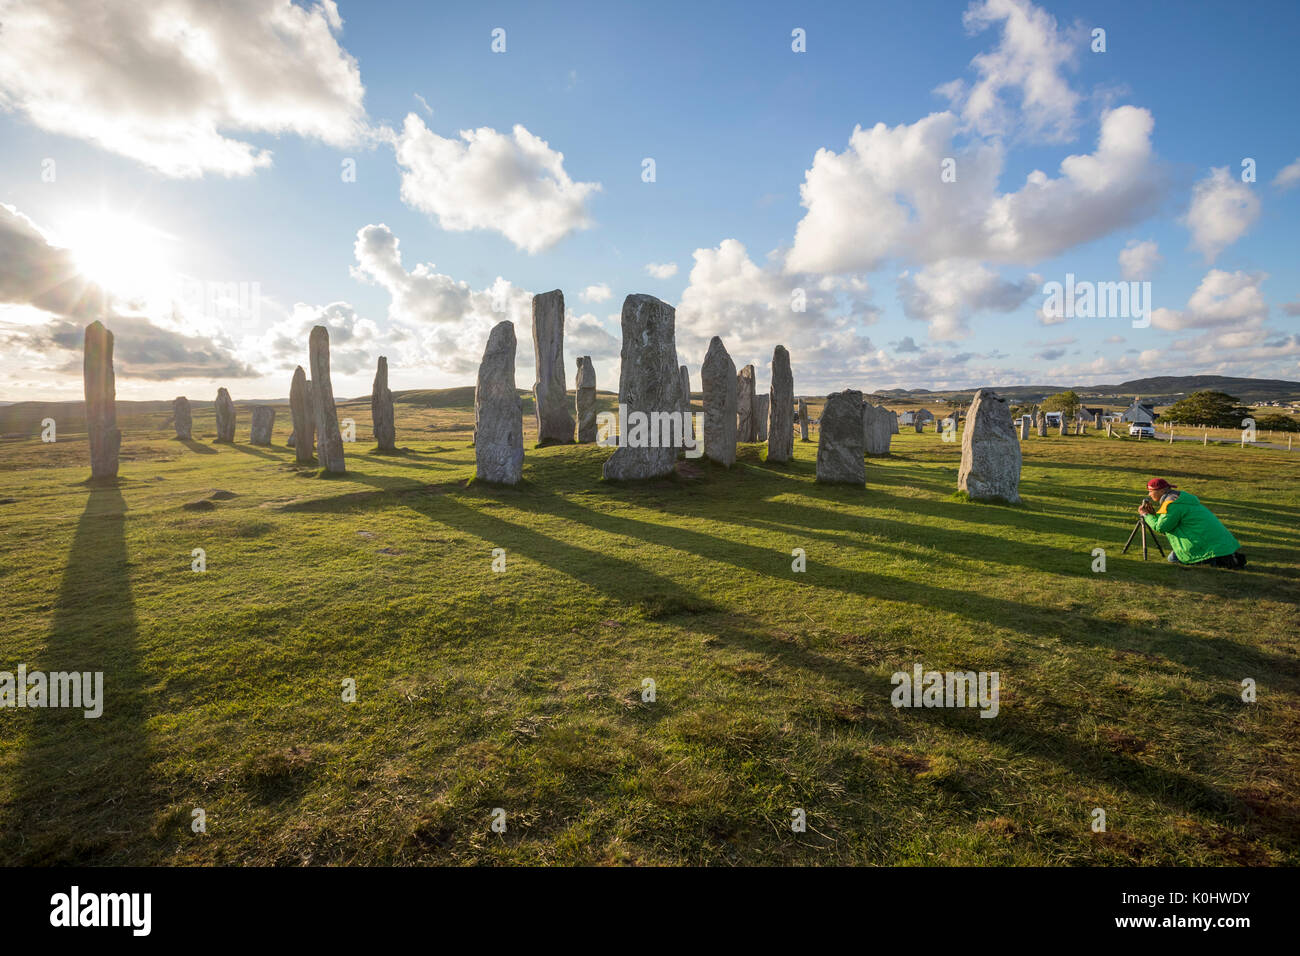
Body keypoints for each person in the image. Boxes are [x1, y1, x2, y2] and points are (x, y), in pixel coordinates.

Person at [1138, 478, 1246, 568]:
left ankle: (1218, 559)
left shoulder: (1172, 505)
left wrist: (1146, 515)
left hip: (1202, 541)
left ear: (1160, 491)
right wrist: (1153, 514)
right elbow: (1169, 521)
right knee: (1175, 556)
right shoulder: (1180, 499)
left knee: (1173, 559)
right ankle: (1225, 556)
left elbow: (1161, 527)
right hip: (1214, 539)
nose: (1149, 494)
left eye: (1150, 491)